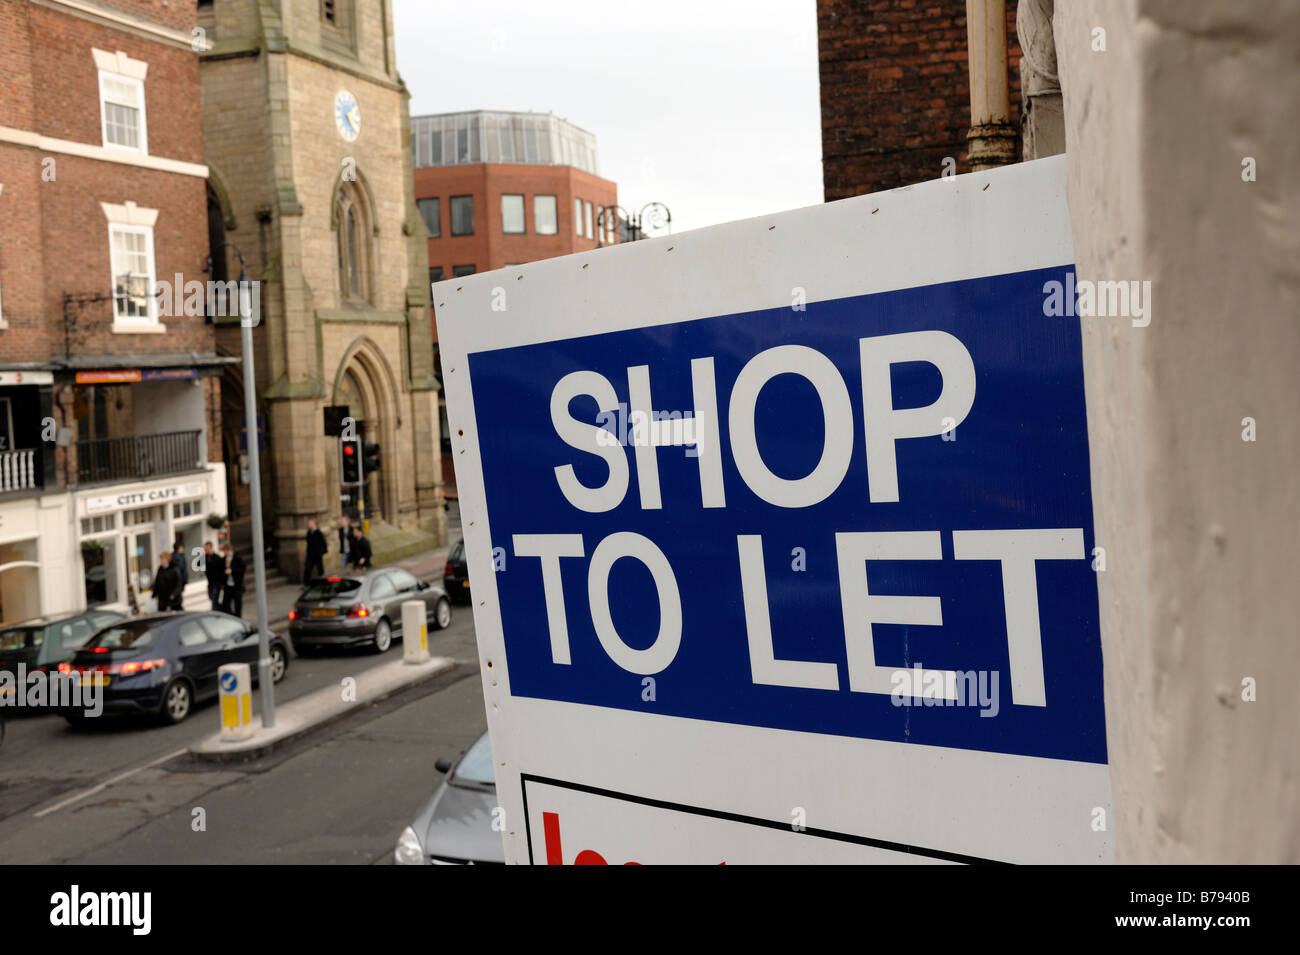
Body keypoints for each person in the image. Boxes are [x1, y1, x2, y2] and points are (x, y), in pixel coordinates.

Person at [219, 543, 246, 617]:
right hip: (227, 586)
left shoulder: (237, 559)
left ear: (230, 550)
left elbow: (242, 569)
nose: (225, 553)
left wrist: (232, 571)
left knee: (238, 605)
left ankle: (238, 618)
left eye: (226, 551)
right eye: (224, 551)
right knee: (226, 603)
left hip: (237, 586)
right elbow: (220, 572)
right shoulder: (223, 560)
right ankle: (230, 617)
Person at [303, 518, 327, 585]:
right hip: (310, 554)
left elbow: (324, 543)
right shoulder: (309, 533)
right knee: (307, 569)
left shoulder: (318, 533)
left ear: (314, 524)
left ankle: (322, 582)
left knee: (320, 569)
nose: (308, 525)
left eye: (310, 523)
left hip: (317, 554)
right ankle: (306, 583)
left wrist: (322, 552)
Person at [202, 541, 223, 611]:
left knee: (214, 599)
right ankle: (219, 610)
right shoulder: (205, 558)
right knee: (211, 597)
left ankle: (215, 612)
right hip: (210, 582)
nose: (206, 550)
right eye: (205, 549)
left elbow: (221, 571)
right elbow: (198, 565)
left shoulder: (217, 558)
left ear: (211, 548)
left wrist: (221, 583)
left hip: (216, 582)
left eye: (207, 549)